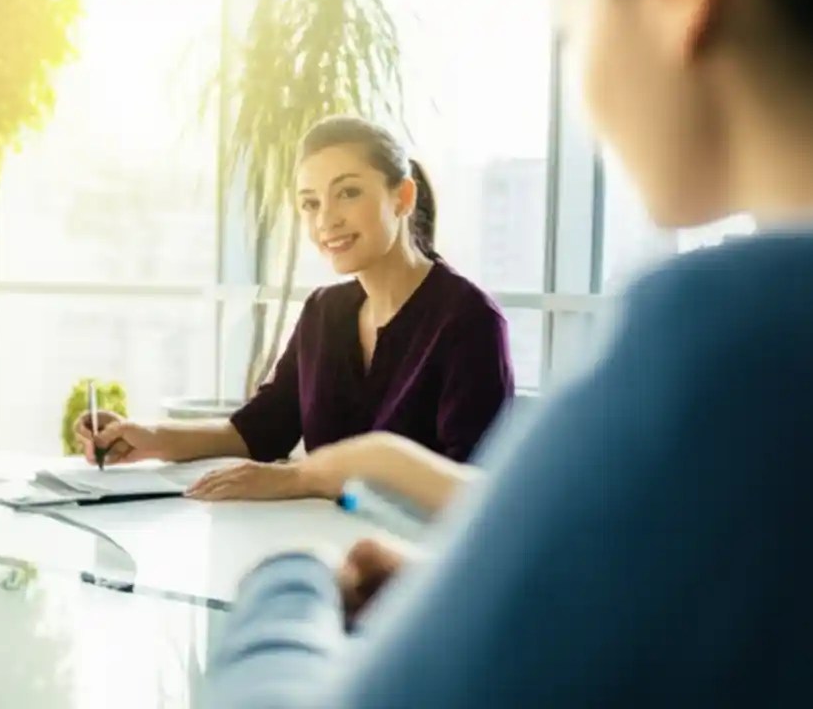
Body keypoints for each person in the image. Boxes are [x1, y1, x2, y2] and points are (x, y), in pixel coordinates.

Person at [205, 0, 813, 706]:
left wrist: (289, 581)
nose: (584, 92)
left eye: (570, 36)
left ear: (676, 2)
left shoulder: (733, 336)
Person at [76, 116, 514, 502]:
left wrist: (300, 479)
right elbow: (257, 433)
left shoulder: (469, 321)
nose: (327, 220)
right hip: (319, 546)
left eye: (348, 193)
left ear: (402, 198)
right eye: (310, 203)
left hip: (413, 566)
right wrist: (147, 437)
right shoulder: (324, 312)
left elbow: (471, 491)